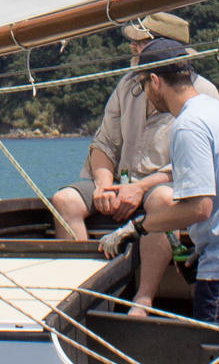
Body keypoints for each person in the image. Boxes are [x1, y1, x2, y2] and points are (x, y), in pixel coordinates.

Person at [99, 39, 219, 321]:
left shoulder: (188, 126)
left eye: (142, 87)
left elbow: (199, 208)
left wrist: (137, 227)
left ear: (155, 81)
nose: (145, 94)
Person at [46, 13, 193, 242]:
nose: (132, 46)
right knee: (65, 201)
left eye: (141, 41)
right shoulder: (127, 85)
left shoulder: (198, 92)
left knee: (163, 201)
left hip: (163, 187)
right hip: (121, 183)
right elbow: (104, 143)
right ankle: (88, 274)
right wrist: (103, 187)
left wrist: (141, 188)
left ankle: (149, 280)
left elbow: (189, 164)